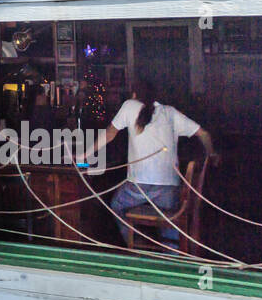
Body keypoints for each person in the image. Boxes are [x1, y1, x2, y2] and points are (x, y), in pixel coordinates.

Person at [84, 83, 215, 246]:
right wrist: (211, 155)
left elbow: (110, 133)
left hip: (139, 184)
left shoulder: (130, 106)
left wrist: (85, 154)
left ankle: (137, 245)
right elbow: (204, 134)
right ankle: (173, 255)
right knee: (169, 222)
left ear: (134, 95)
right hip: (169, 185)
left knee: (117, 205)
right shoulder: (170, 112)